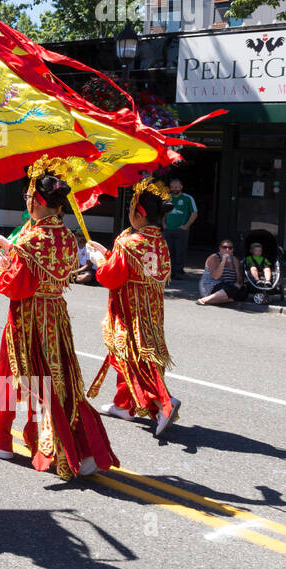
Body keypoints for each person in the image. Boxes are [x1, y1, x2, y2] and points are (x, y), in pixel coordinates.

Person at [0, 156, 118, 480]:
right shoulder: (65, 236)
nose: (26, 200)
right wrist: (8, 249)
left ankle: (3, 438)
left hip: (27, 320)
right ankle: (81, 446)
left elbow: (16, 285)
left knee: (13, 379)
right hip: (55, 318)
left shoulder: (31, 239)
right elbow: (40, 268)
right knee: (61, 380)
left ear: (37, 200)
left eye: (27, 196)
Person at [85, 178, 181, 436]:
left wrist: (98, 260)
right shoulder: (158, 241)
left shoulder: (129, 242)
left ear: (139, 213)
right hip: (152, 311)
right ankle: (124, 405)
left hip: (129, 312)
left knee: (133, 360)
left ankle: (164, 403)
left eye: (131, 209)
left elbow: (111, 277)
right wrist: (107, 253)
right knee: (132, 358)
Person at [164, 178, 197, 280]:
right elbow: (163, 212)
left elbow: (194, 213)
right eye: (172, 187)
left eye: (176, 187)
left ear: (181, 187)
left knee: (180, 251)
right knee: (168, 252)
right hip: (168, 229)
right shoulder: (167, 198)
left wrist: (186, 226)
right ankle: (169, 273)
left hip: (181, 230)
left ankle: (178, 272)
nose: (174, 189)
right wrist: (163, 224)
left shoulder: (188, 198)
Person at [197, 239, 246, 305]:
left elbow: (238, 278)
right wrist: (223, 261)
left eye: (230, 248)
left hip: (228, 286)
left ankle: (221, 300)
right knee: (231, 289)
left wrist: (238, 283)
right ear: (220, 248)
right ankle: (205, 299)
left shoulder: (235, 260)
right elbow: (216, 276)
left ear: (232, 249)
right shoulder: (213, 257)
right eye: (224, 247)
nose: (227, 250)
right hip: (211, 285)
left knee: (243, 292)